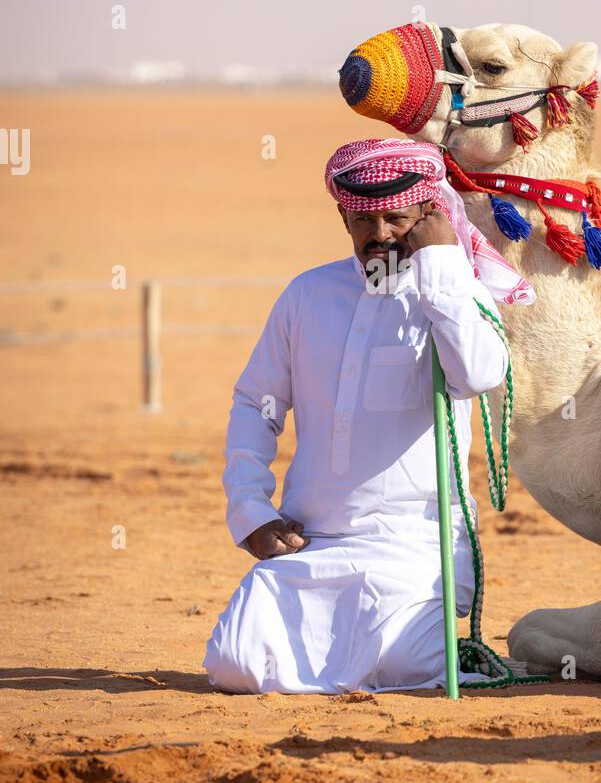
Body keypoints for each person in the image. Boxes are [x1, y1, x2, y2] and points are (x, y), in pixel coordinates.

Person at [202, 137, 534, 694]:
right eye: (364, 219)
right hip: (311, 545)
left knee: (413, 669)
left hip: (415, 549)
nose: (379, 233)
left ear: (430, 214)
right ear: (342, 216)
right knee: (235, 664)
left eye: (398, 218)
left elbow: (479, 375)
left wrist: (442, 269)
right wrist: (251, 510)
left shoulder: (459, 296)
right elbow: (254, 404)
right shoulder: (307, 294)